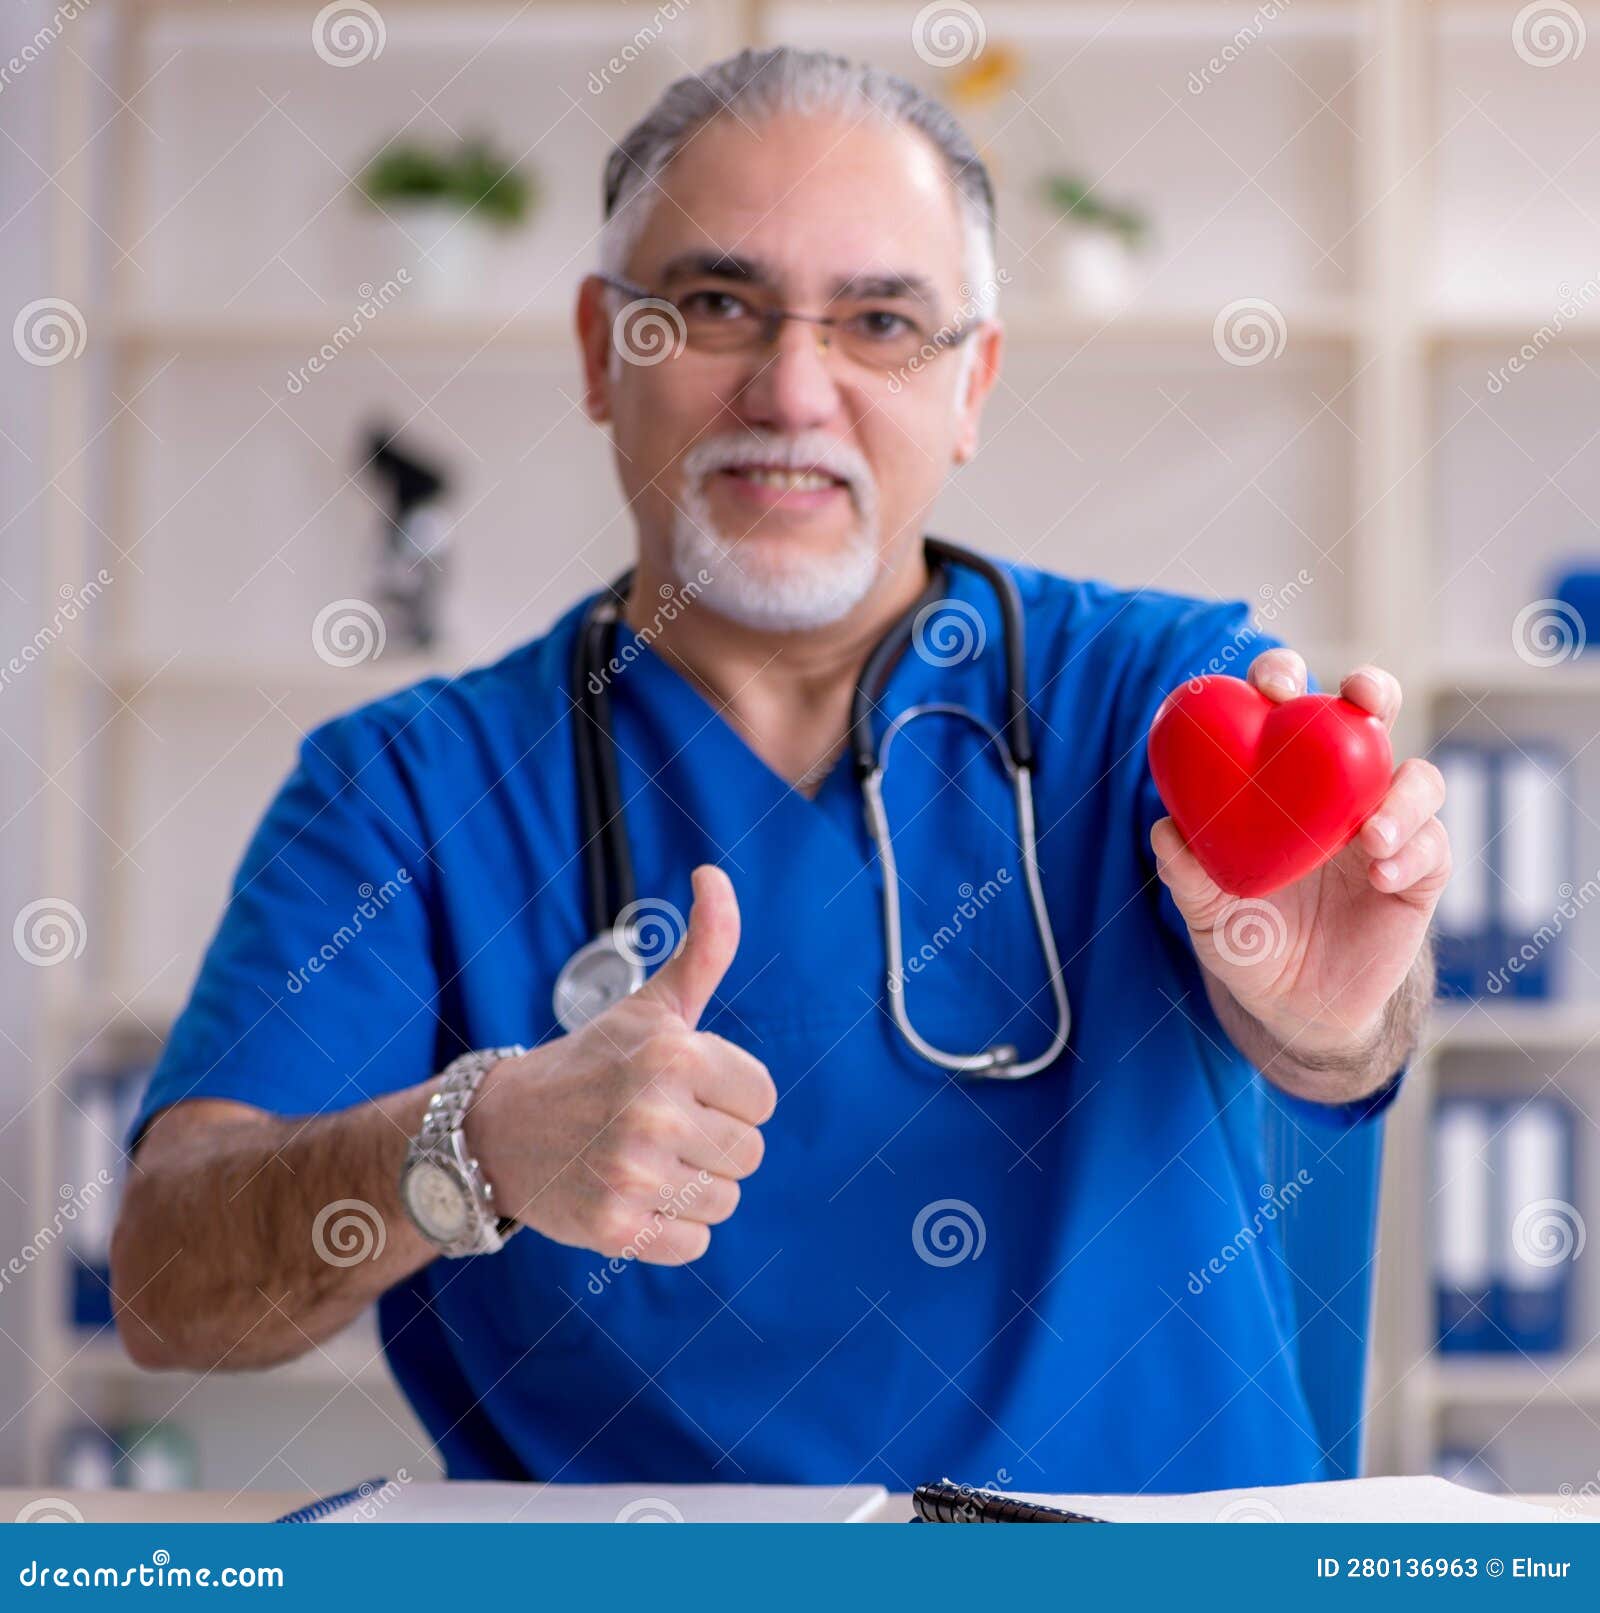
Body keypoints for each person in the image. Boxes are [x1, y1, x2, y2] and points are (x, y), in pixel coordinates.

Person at [111, 46, 1448, 1491]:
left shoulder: (1154, 703)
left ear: (973, 382)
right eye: (715, 303)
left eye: (882, 320)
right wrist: (474, 1141)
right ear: (597, 349)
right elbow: (171, 1278)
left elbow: (1340, 1033)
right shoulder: (412, 791)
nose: (792, 388)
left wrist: (1333, 1024)